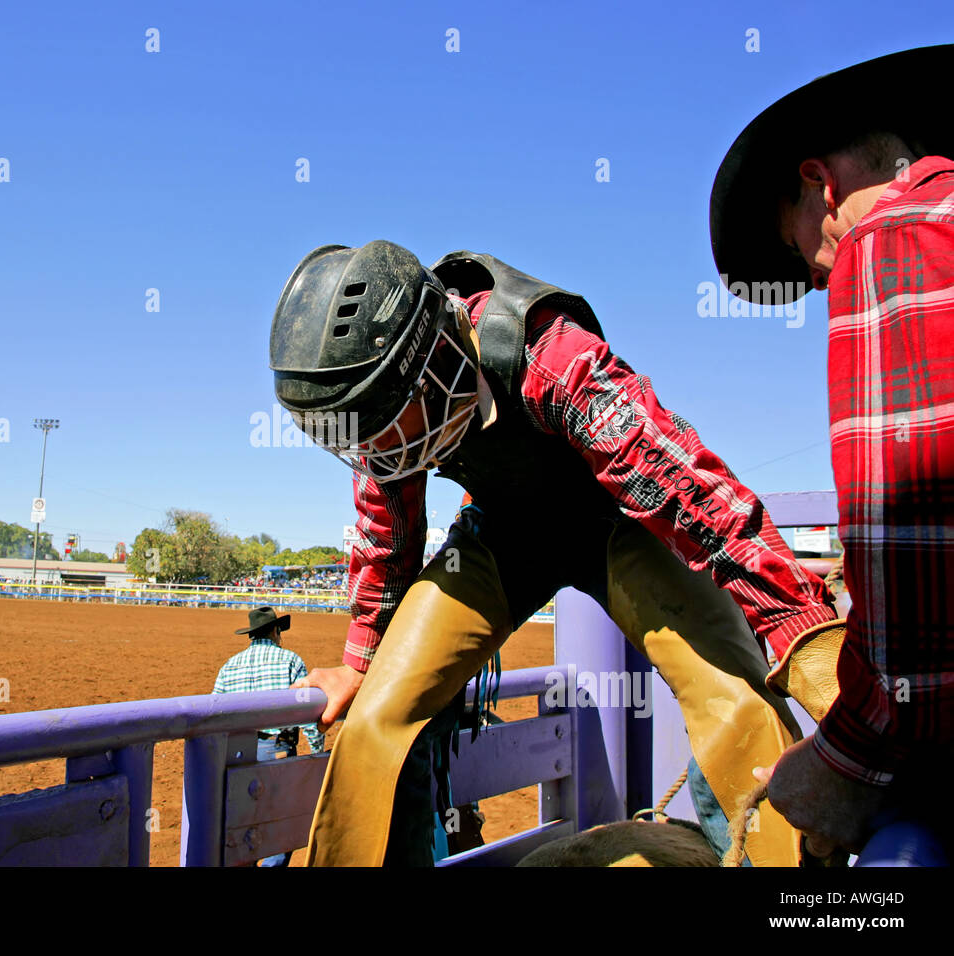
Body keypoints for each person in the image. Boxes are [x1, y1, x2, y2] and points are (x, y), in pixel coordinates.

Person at [269, 240, 843, 866]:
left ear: (433, 357)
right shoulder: (386, 420)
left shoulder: (550, 354)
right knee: (377, 716)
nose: (374, 451)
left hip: (617, 526)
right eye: (353, 433)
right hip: (502, 536)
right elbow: (390, 536)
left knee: (737, 696)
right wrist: (361, 660)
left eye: (379, 422)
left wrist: (800, 627)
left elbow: (686, 487)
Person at [708, 44, 954, 857]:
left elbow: (915, 568)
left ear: (823, 185)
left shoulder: (892, 237)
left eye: (794, 250)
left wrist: (841, 765)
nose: (814, 279)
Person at [213, 605, 326, 866]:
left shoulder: (229, 667)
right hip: (277, 748)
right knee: (281, 823)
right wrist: (317, 750)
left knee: (243, 819)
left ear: (251, 635)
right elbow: (305, 713)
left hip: (239, 752)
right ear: (275, 631)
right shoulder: (291, 661)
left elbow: (215, 714)